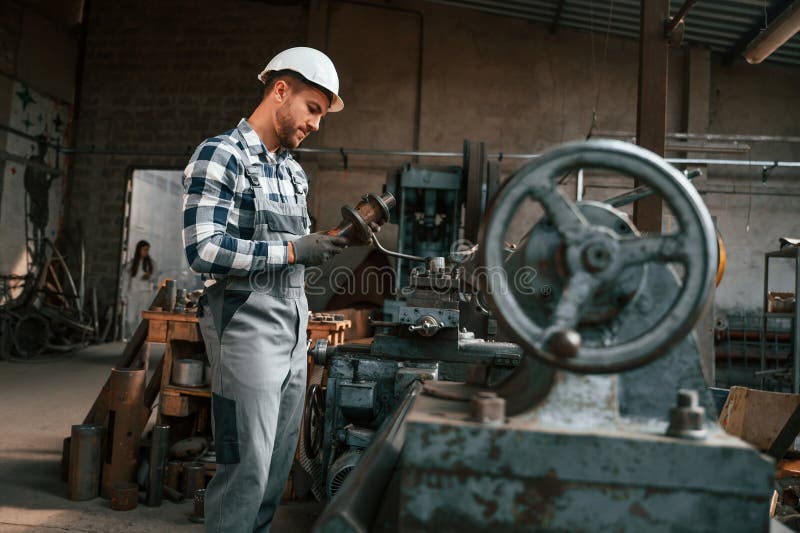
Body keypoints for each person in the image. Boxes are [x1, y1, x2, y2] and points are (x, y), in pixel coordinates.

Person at [182, 47, 352, 532]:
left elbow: (292, 249)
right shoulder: (221, 155)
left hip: (294, 334)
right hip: (245, 332)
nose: (317, 125)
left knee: (276, 474)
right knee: (246, 474)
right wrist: (294, 252)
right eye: (313, 109)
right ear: (281, 89)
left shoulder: (293, 173)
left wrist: (326, 244)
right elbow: (204, 250)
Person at [121, 240, 157, 339]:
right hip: (132, 293)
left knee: (142, 317)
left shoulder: (151, 264)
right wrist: (123, 296)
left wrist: (149, 277)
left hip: (145, 293)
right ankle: (134, 335)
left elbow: (155, 277)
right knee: (131, 317)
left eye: (147, 250)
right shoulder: (131, 264)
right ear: (139, 250)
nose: (146, 252)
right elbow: (125, 281)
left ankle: (139, 338)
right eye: (144, 249)